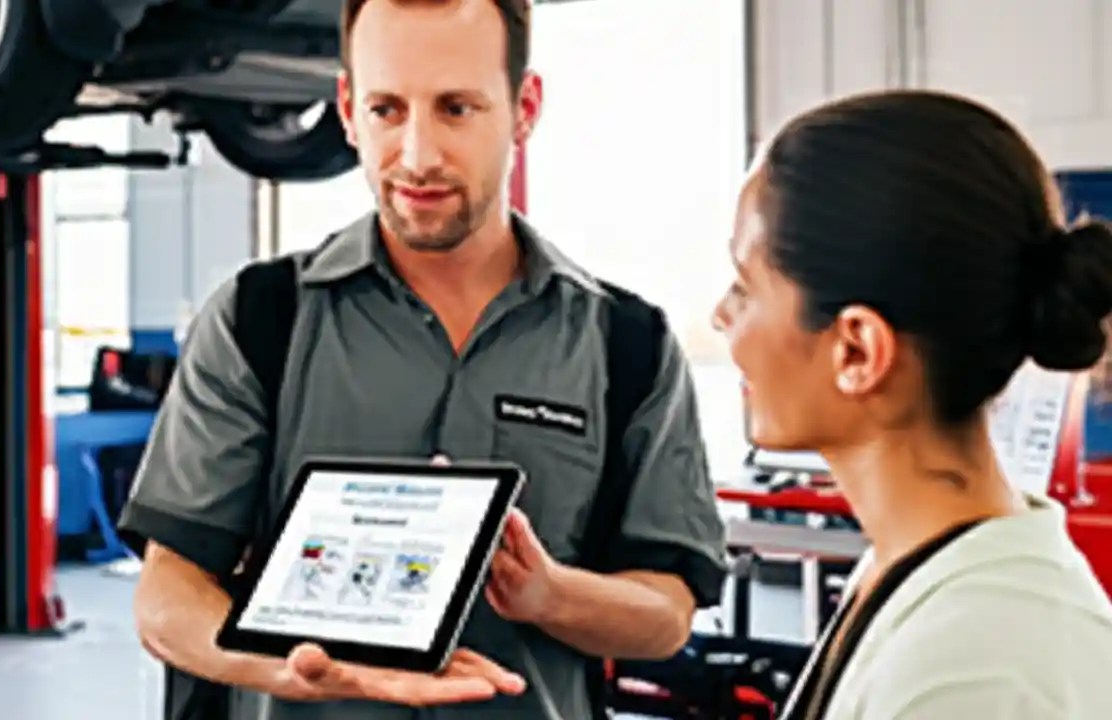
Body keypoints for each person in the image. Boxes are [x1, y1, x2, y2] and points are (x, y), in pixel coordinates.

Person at [118, 0, 727, 718]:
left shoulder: (627, 345)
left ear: (524, 108)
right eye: (387, 110)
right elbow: (167, 593)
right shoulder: (259, 321)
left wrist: (552, 595)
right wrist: (288, 670)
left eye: (456, 109)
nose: (418, 156)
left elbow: (667, 612)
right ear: (348, 110)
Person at [712, 89, 1112, 719]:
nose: (721, 316)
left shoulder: (973, 668)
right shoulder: (919, 571)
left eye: (744, 287)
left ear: (857, 349)